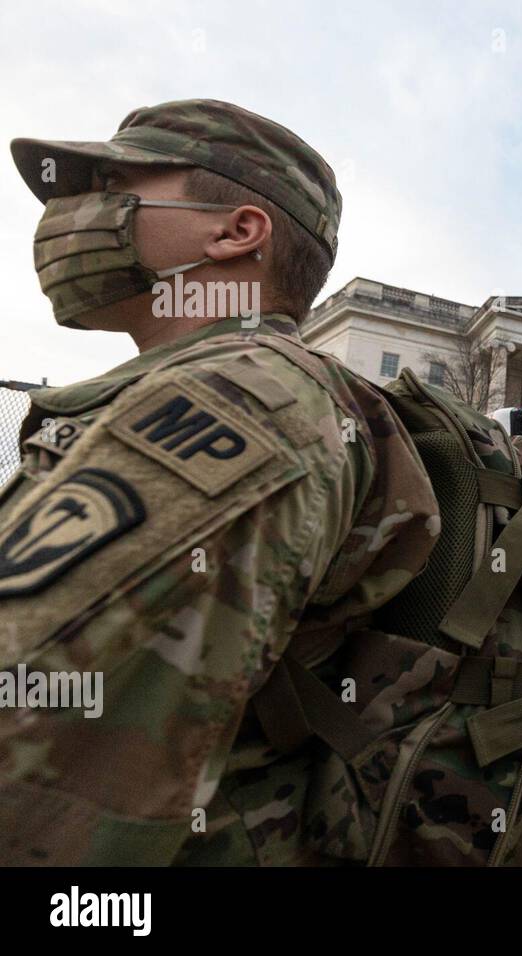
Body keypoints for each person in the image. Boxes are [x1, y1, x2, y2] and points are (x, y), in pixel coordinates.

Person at [0, 99, 437, 864]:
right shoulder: (220, 385)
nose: (75, 211)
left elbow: (24, 704)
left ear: (237, 232)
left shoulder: (239, 399)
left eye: (112, 183)